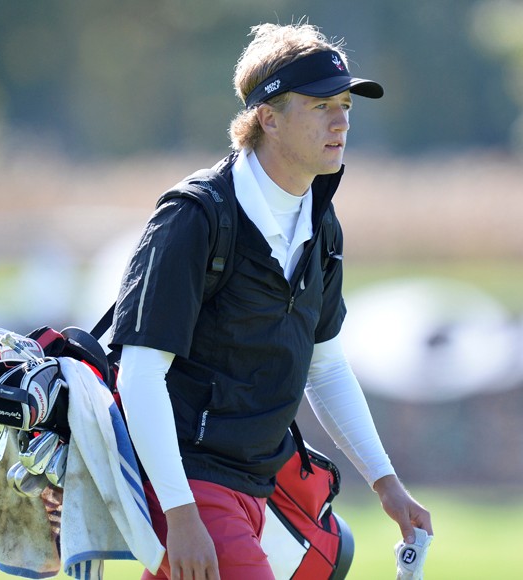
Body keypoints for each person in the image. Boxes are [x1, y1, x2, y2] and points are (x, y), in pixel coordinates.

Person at [111, 21, 433, 580]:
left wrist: (386, 483)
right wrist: (181, 515)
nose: (341, 121)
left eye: (345, 106)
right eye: (321, 106)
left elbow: (325, 367)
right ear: (268, 117)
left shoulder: (321, 224)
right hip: (187, 485)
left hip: (259, 484)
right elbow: (138, 373)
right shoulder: (194, 217)